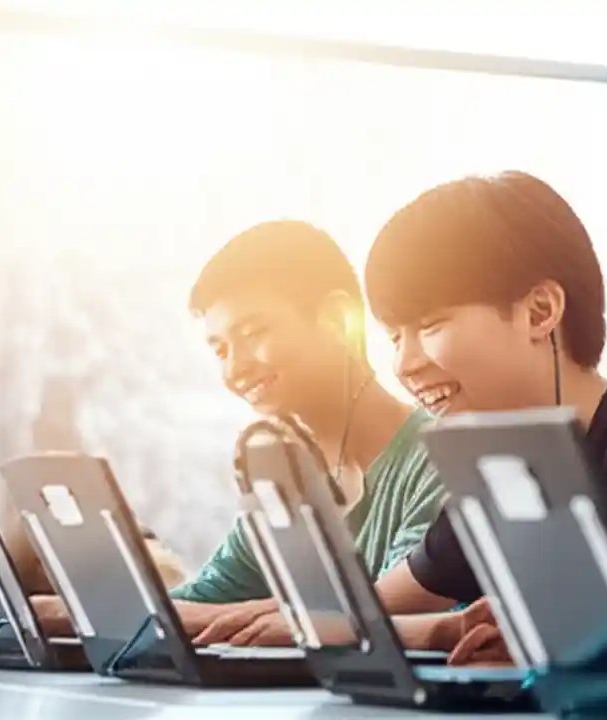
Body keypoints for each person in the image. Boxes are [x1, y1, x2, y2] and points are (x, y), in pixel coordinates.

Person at [216, 171, 607, 648]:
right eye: (394, 336)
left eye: (430, 326)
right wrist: (253, 622)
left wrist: (417, 630)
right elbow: (364, 605)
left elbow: (581, 618)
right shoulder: (503, 470)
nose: (406, 363)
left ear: (540, 311)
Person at [170, 220, 446, 641]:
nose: (235, 368)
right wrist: (47, 610)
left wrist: (272, 614)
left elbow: (378, 611)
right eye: (221, 349)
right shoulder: (284, 489)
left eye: (253, 333)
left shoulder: (441, 460)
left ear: (337, 318)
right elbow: (194, 602)